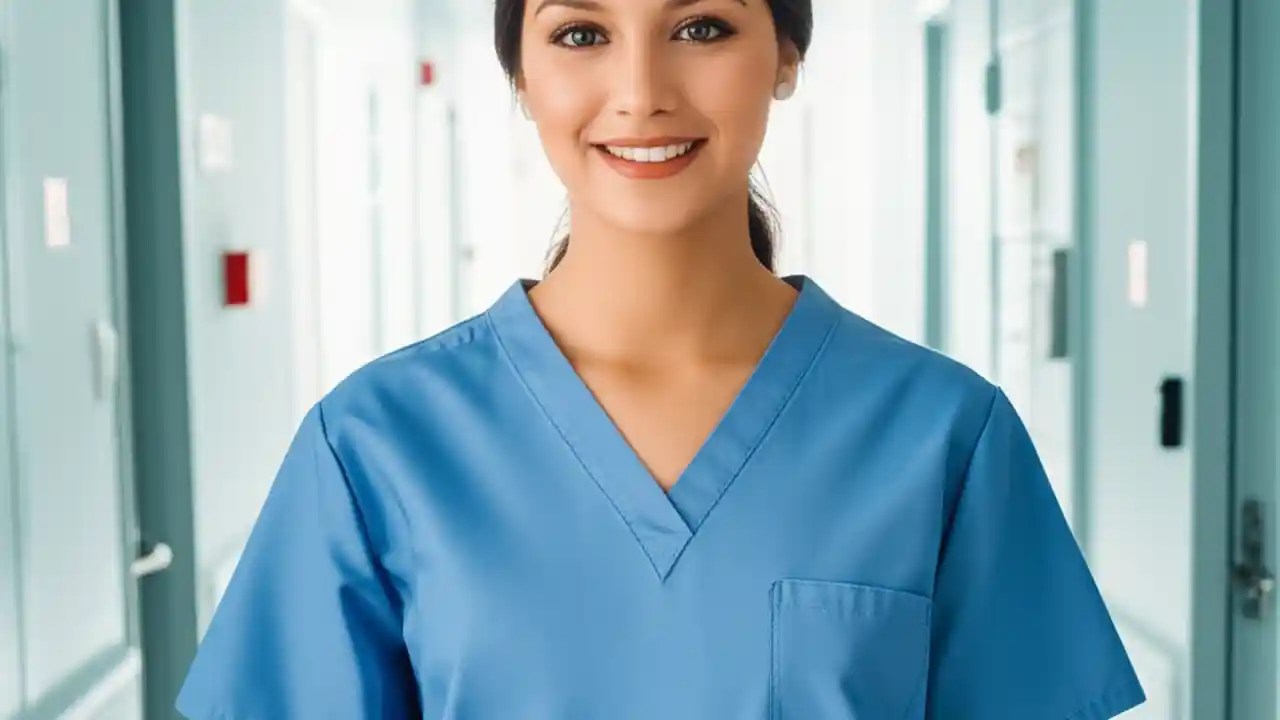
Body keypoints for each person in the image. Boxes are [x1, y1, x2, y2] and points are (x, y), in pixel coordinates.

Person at [175, 0, 1147, 717]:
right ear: (520, 73)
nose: (639, 94)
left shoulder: (940, 434)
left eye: (700, 28)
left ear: (786, 55)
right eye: (580, 34)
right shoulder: (376, 443)